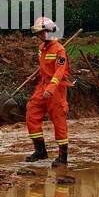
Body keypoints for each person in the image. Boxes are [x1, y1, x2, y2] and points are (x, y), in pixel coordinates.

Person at [23, 17, 72, 167]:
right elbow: (44, 68)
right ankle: (40, 151)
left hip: (56, 89)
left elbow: (59, 71)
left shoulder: (59, 50)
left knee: (59, 120)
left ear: (50, 31)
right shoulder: (41, 48)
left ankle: (62, 156)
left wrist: (51, 89)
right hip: (42, 86)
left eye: (42, 32)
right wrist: (35, 77)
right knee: (31, 113)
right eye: (38, 33)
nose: (39, 36)